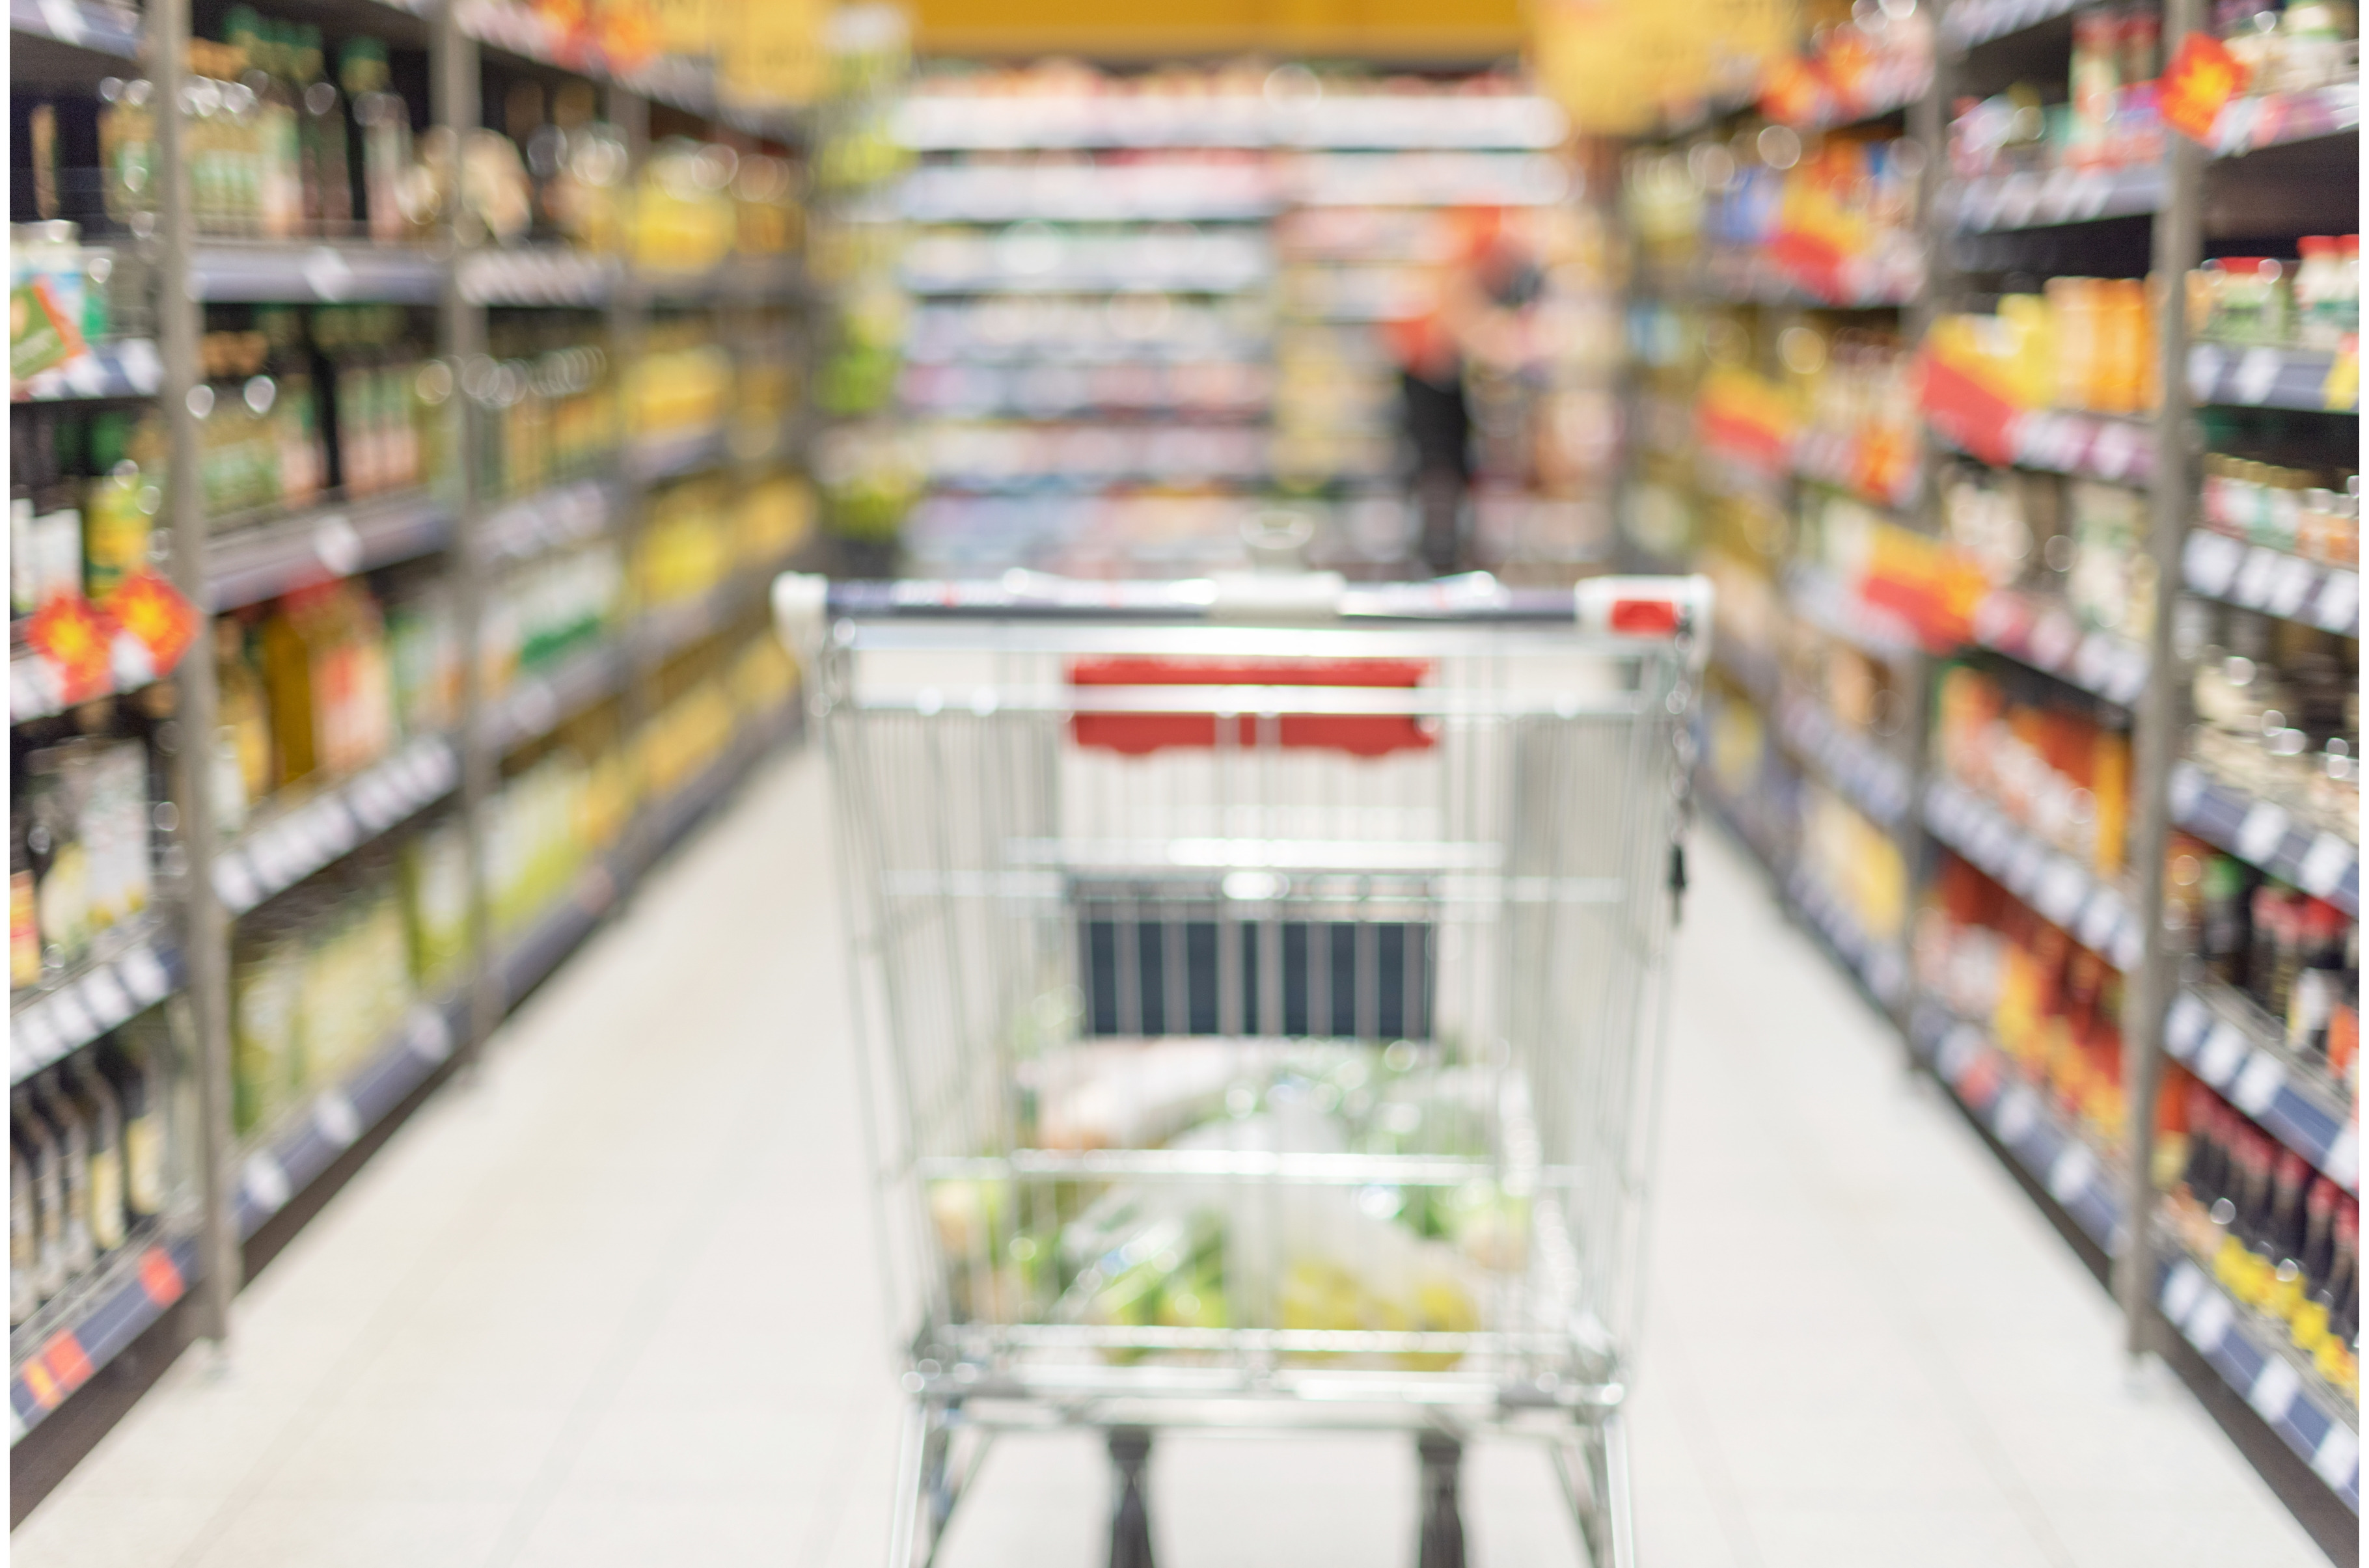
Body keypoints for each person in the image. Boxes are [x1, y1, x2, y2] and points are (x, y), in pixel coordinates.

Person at [1384, 206, 1546, 574]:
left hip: (1437, 374)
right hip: (1429, 376)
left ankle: (1443, 553)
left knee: (1446, 466)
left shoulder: (1455, 259)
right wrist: (1514, 346)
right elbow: (1468, 326)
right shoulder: (1459, 268)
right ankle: (1437, 559)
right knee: (1439, 466)